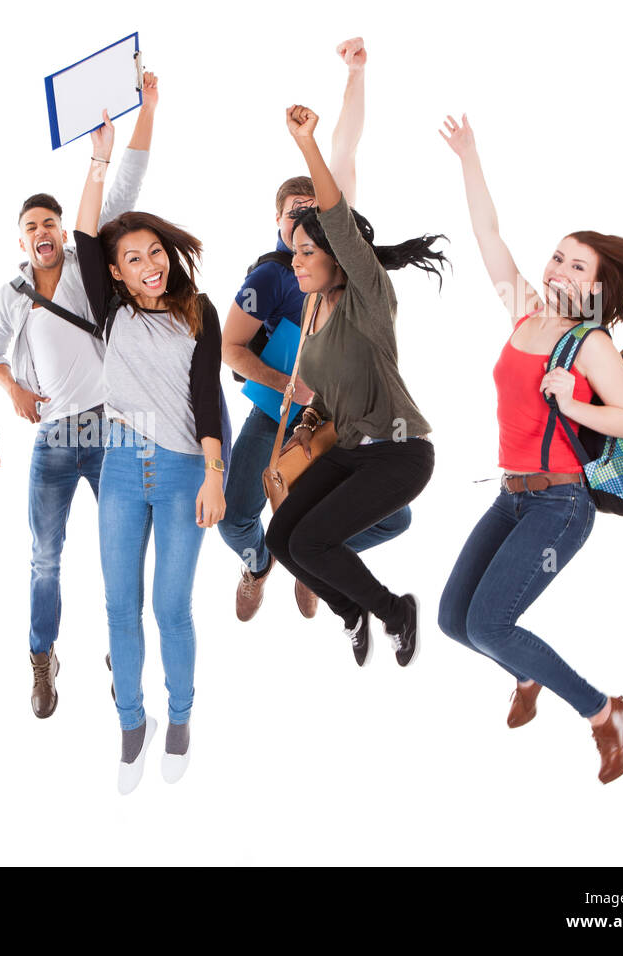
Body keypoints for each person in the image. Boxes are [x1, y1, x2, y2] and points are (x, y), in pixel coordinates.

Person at [436, 113, 623, 784]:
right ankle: (526, 676)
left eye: (575, 263)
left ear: (595, 285)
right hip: (512, 495)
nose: (558, 267)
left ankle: (602, 713)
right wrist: (469, 156)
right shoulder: (525, 312)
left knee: (493, 624)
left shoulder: (590, 344)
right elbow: (487, 233)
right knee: (453, 621)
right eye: (557, 254)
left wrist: (574, 401)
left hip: (560, 505)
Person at [0, 72, 157, 720]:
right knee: (44, 557)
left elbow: (126, 186)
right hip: (56, 437)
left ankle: (125, 651)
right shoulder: (13, 295)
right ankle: (41, 657)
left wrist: (144, 114)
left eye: (50, 221)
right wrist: (13, 389)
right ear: (22, 239)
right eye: (32, 226)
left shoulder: (89, 270)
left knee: (124, 550)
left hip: (110, 429)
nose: (44, 231)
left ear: (61, 229)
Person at [220, 39, 410, 633]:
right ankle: (262, 562)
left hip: (337, 423)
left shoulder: (346, 265)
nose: (304, 217)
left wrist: (355, 74)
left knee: (396, 518)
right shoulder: (270, 277)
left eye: (314, 208)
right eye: (292, 211)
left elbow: (345, 151)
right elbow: (231, 347)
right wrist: (285, 385)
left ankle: (311, 554)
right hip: (273, 418)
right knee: (234, 520)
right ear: (276, 222)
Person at [74, 110, 226, 794]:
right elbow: (82, 236)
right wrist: (99, 161)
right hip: (121, 467)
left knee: (171, 607)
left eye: (154, 252)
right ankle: (132, 722)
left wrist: (215, 474)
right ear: (116, 272)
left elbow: (205, 397)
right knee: (117, 605)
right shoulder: (112, 310)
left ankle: (183, 717)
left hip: (183, 472)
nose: (149, 265)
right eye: (132, 258)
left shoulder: (200, 312)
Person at [264, 105, 446, 668]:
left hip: (398, 453)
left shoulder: (369, 298)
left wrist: (308, 146)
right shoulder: (315, 303)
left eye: (308, 252)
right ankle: (349, 611)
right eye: (294, 251)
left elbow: (339, 220)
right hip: (346, 453)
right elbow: (326, 390)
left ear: (340, 258)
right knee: (281, 540)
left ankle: (394, 613)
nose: (297, 262)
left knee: (314, 541)